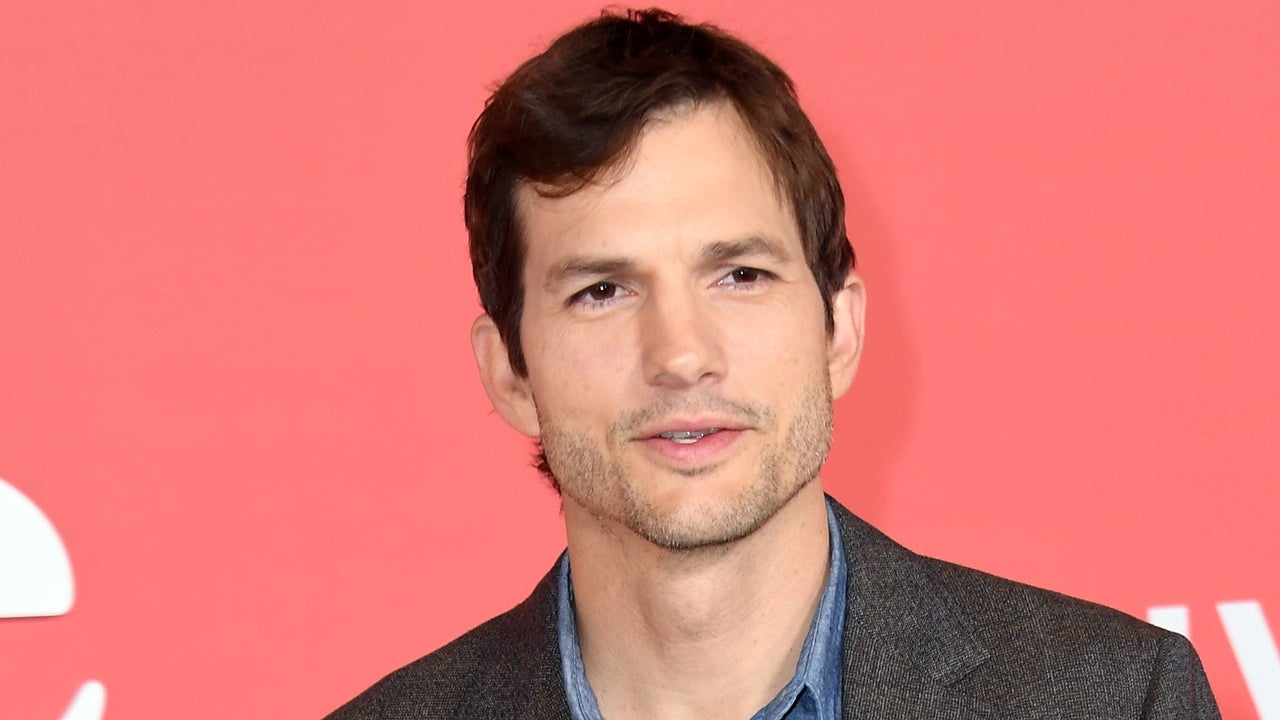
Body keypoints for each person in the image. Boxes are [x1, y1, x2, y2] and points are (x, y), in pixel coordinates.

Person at [326, 8, 1220, 719]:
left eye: (740, 276)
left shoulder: (1115, 700)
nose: (682, 354)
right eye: (603, 290)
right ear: (510, 373)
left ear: (840, 330)